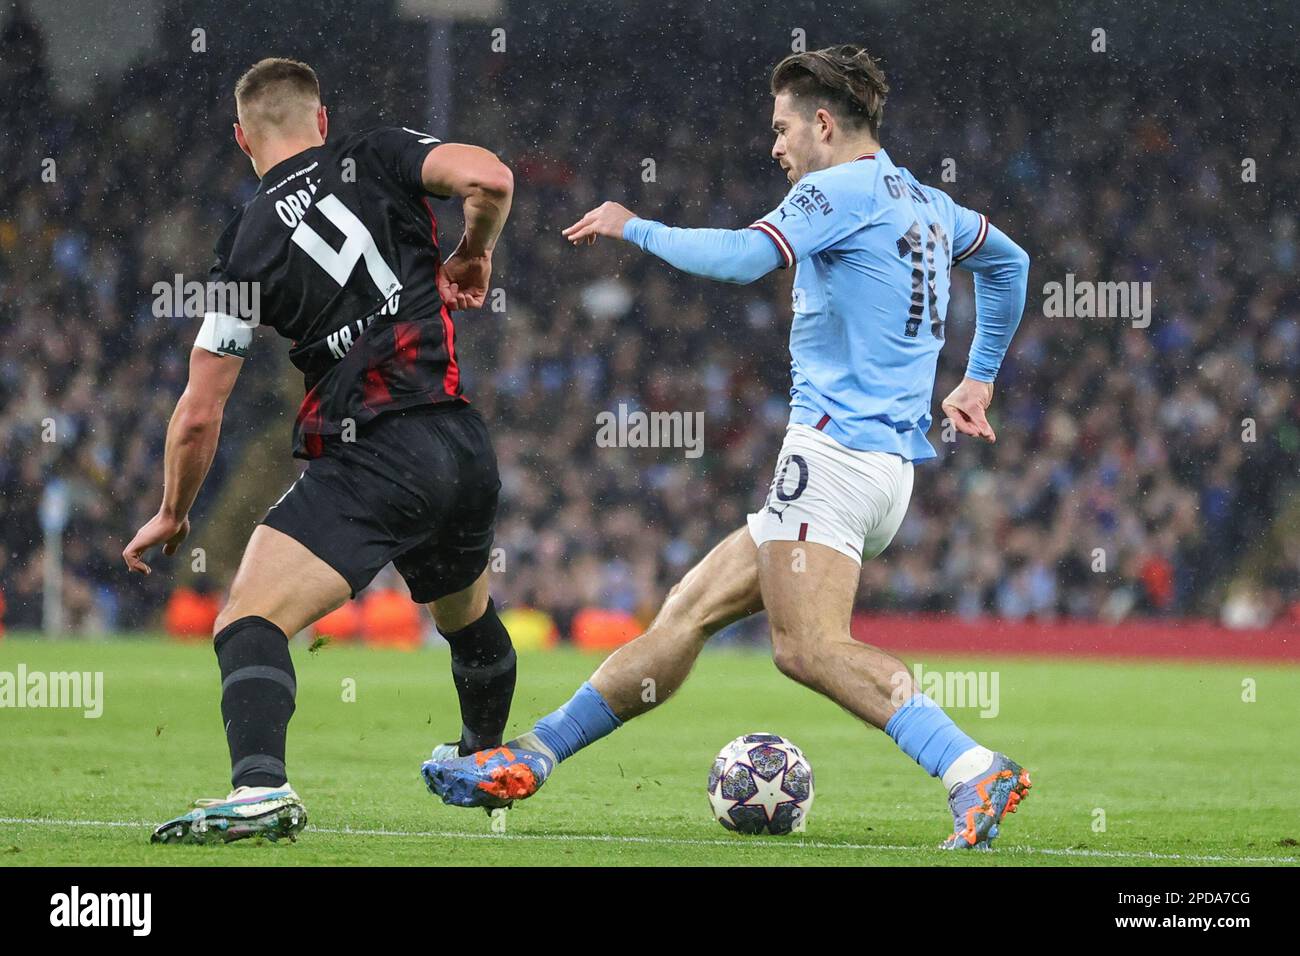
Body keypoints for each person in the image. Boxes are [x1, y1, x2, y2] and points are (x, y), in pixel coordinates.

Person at [422, 45, 1033, 849]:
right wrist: (978, 379)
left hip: (832, 460)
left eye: (782, 129)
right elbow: (1009, 261)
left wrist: (631, 223)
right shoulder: (925, 200)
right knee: (688, 611)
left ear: (822, 123)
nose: (775, 147)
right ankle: (531, 756)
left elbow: (747, 257)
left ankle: (969, 765)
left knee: (807, 648)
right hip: (880, 471)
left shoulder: (834, 190)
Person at [123, 58, 516, 844]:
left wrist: (174, 511)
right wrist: (474, 250)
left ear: (243, 140)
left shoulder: (242, 248)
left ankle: (261, 789)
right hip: (459, 441)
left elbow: (201, 412)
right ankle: (484, 760)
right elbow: (491, 178)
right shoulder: (376, 153)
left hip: (373, 451)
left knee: (248, 618)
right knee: (466, 618)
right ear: (323, 120)